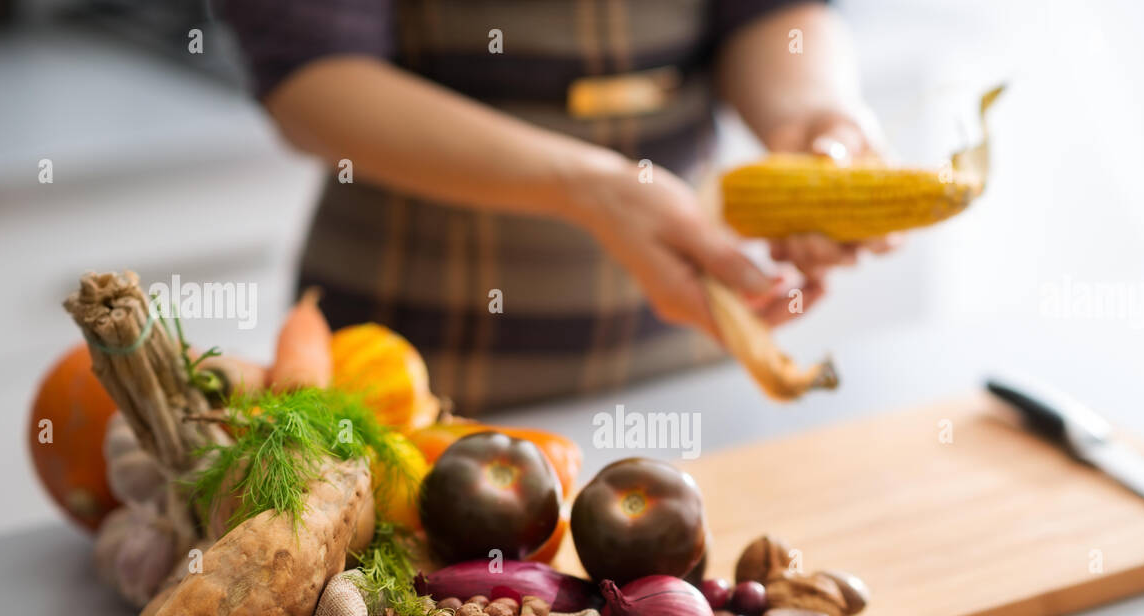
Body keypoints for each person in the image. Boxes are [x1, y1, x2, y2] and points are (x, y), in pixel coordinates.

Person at [220, 0, 897, 414]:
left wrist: (809, 115)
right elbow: (312, 79)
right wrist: (591, 188)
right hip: (414, 381)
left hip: (689, 356)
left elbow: (771, 10)